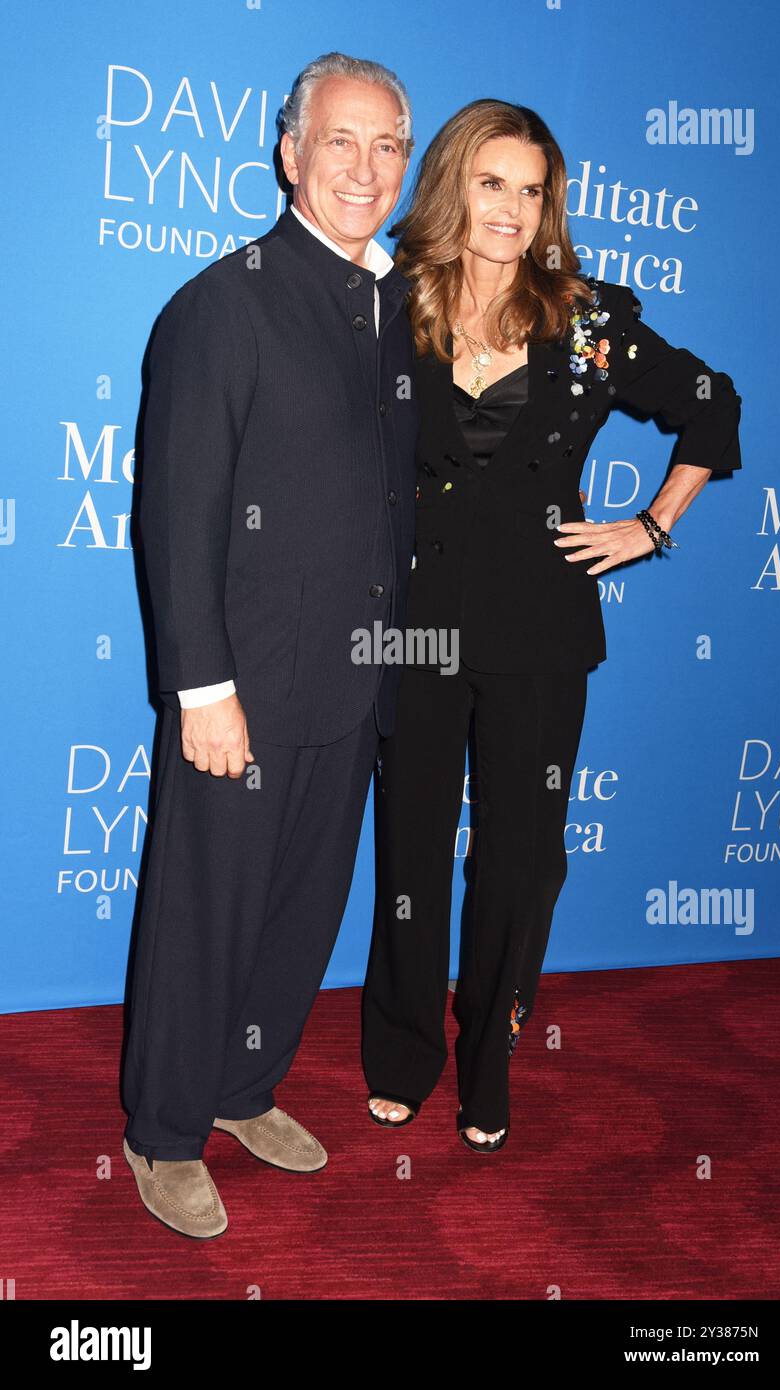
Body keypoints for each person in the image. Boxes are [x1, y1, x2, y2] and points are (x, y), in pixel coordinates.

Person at [361, 99, 742, 1152]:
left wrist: (649, 527)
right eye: (492, 183)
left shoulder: (584, 315)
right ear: (452, 185)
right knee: (410, 852)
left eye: (532, 191)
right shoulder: (390, 304)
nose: (513, 209)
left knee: (521, 858)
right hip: (415, 623)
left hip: (541, 622)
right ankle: (401, 1051)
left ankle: (490, 1053)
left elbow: (711, 400)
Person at [121, 52, 419, 1236]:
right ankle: (162, 1131)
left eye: (388, 143)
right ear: (289, 154)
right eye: (338, 141)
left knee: (303, 904)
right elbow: (177, 510)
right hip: (238, 686)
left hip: (352, 681)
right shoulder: (222, 303)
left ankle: (245, 1088)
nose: (364, 167)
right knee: (208, 910)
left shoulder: (396, 304)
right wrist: (201, 686)